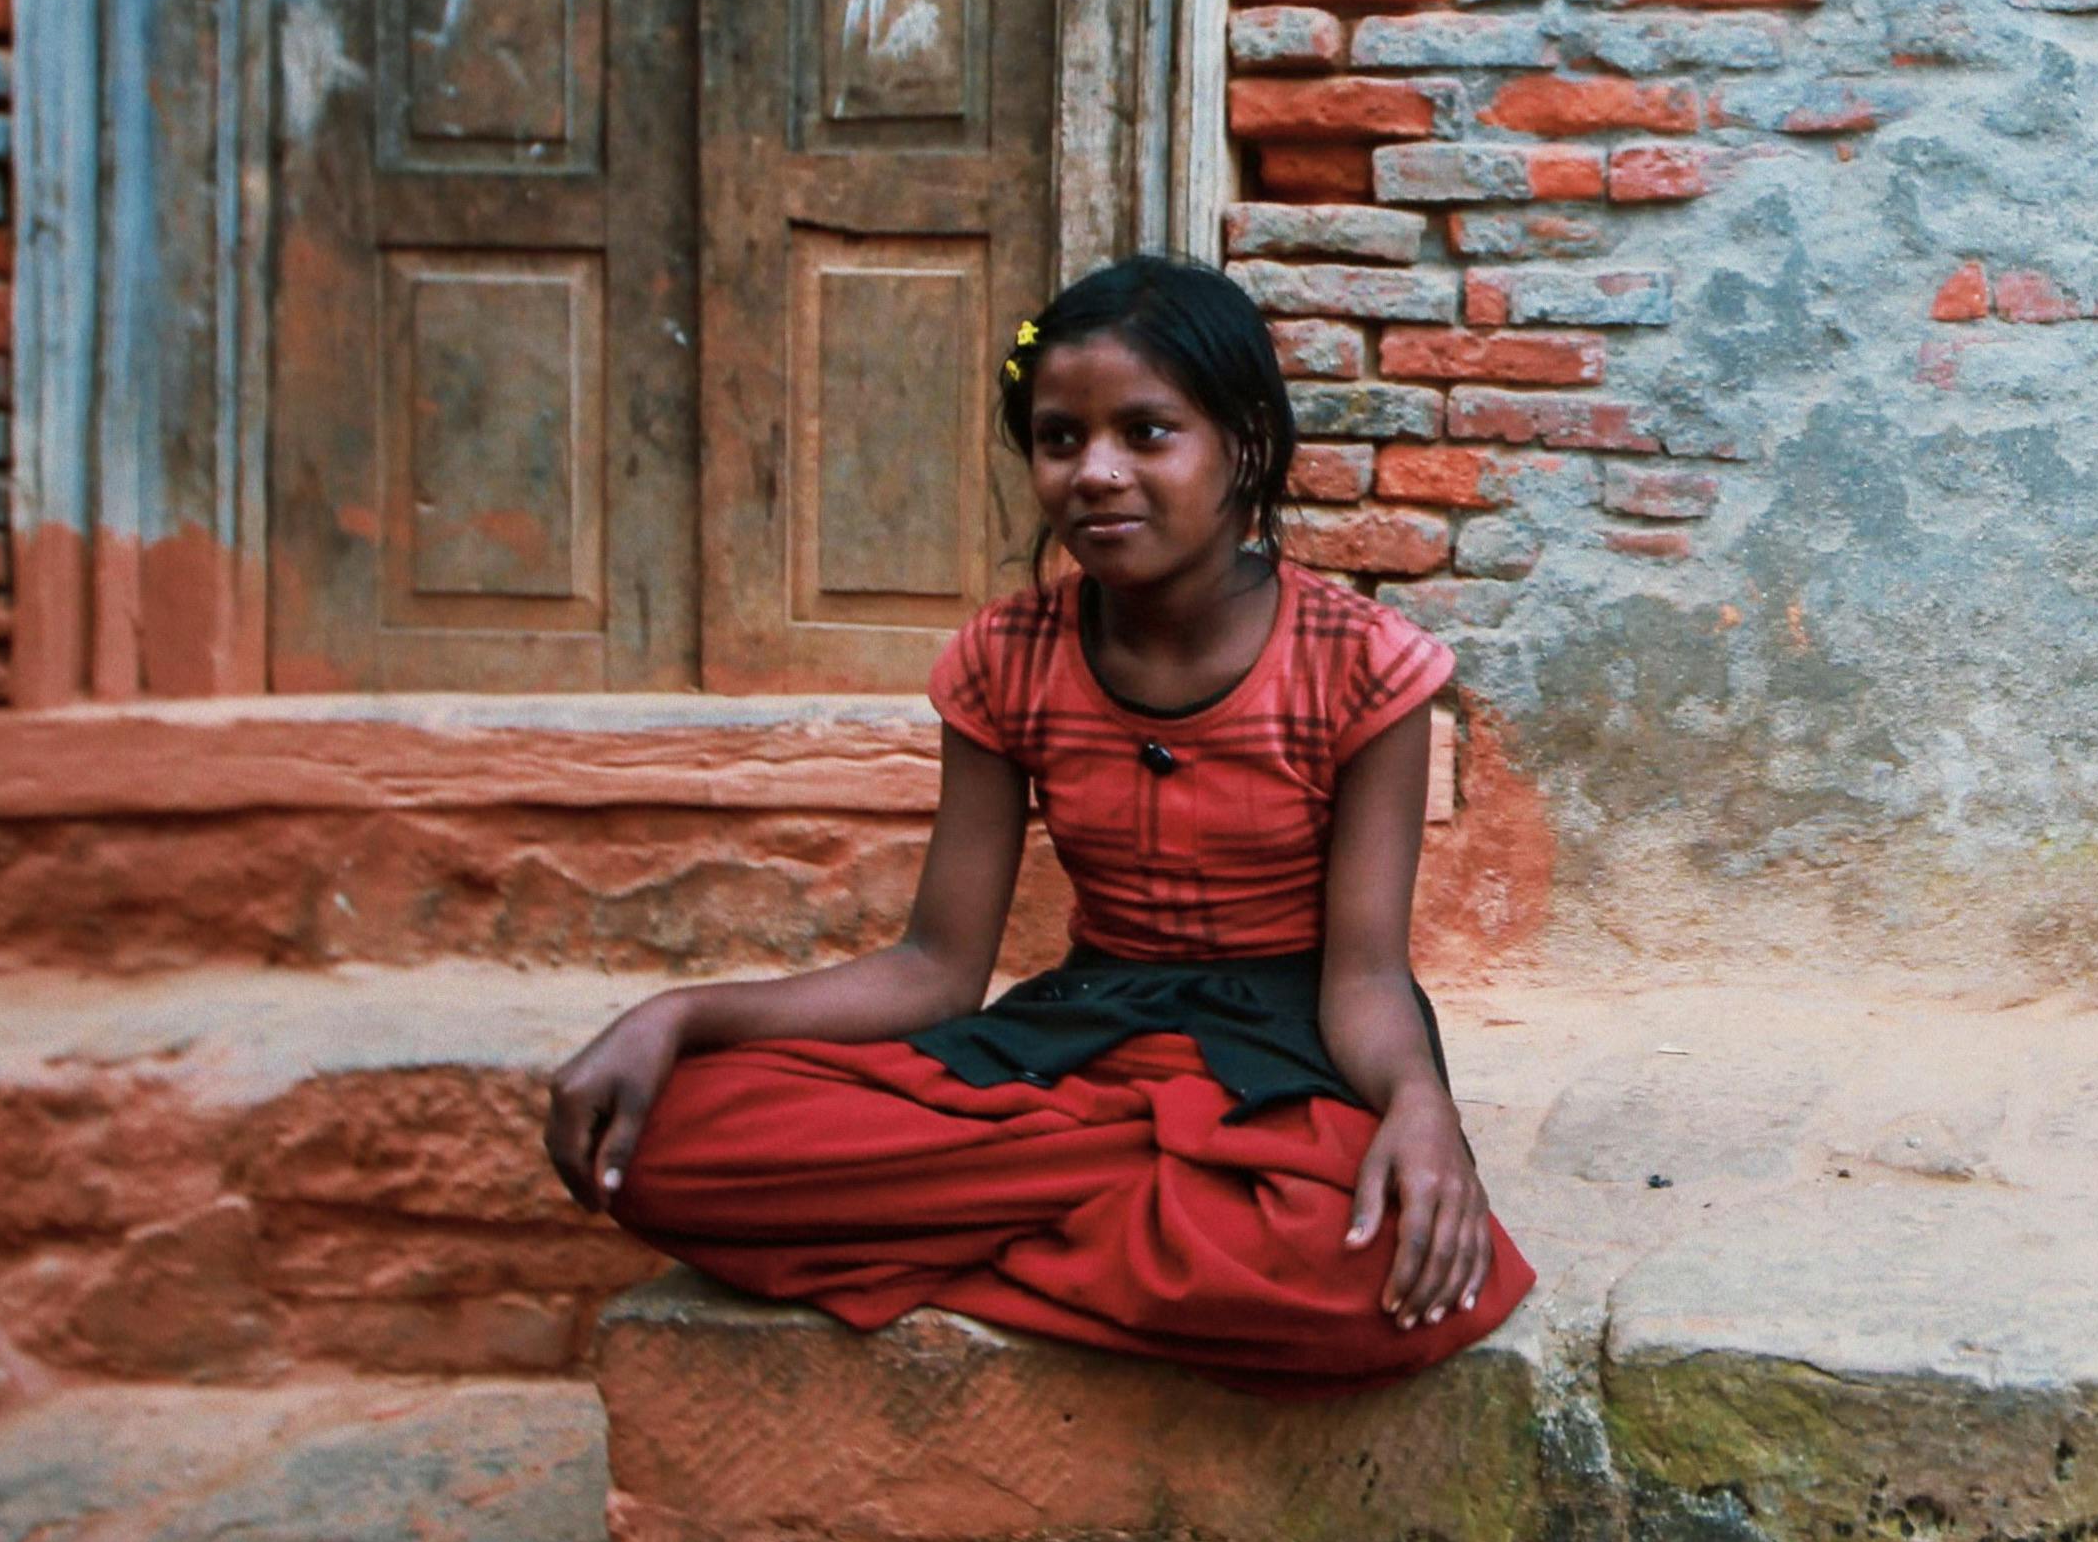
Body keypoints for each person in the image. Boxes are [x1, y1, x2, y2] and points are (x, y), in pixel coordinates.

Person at [541, 254, 1529, 1382]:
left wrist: (1419, 1106)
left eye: (1147, 432)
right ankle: (1157, 1230)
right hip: (1080, 1029)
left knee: (1365, 1265)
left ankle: (975, 1224)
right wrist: (682, 1014)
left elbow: (1362, 975)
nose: (1095, 471)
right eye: (1061, 438)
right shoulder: (1005, 658)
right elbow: (936, 967)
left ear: (1244, 447)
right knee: (670, 1140)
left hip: (1281, 1044)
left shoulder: (1362, 664)